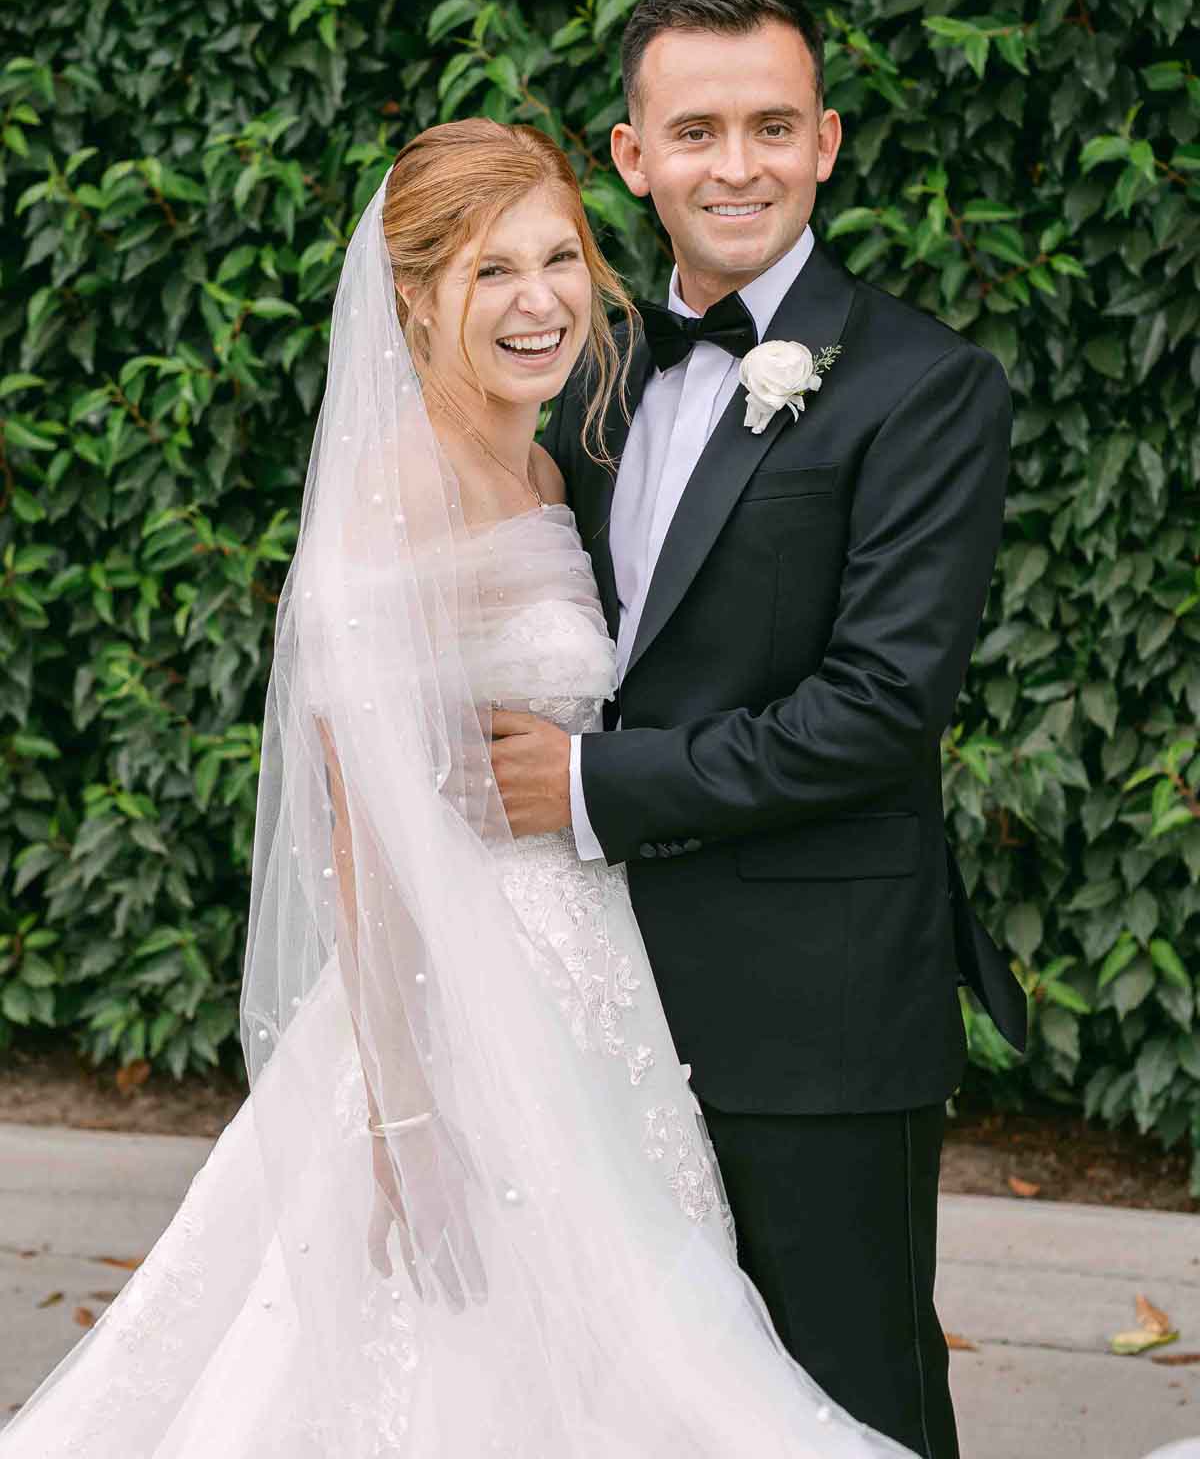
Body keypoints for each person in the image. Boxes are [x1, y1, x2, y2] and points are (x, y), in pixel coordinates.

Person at [0, 118, 914, 1457]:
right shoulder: (401, 493)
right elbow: (366, 829)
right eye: (494, 272)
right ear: (416, 298)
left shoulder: (540, 468)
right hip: (455, 1009)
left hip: (587, 980)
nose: (539, 300)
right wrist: (409, 1116)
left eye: (559, 259)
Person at [493, 0, 1028, 1459]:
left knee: (851, 1407)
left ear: (829, 143)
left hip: (822, 1006)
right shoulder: (582, 376)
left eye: (774, 126)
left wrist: (593, 788)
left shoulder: (925, 387)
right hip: (598, 995)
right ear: (631, 156)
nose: (739, 164)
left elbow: (877, 708)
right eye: (700, 129)